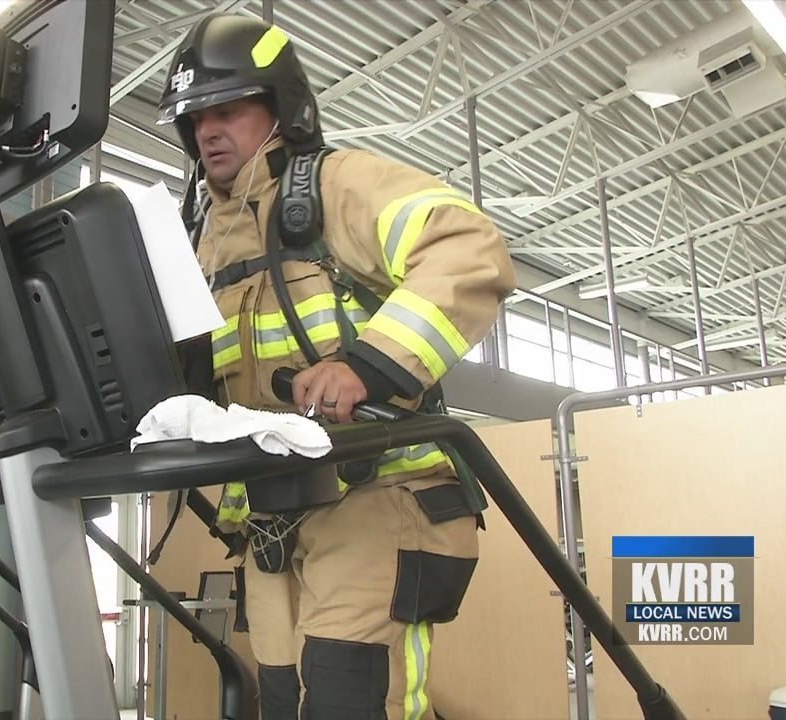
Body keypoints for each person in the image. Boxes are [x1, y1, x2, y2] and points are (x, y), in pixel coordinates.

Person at [157, 14, 518, 720]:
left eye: (228, 109)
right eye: (195, 118)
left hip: (375, 496)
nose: (208, 131)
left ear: (283, 109)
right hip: (270, 514)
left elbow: (469, 247)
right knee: (285, 703)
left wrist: (368, 365)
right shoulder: (198, 242)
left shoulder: (335, 185)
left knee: (348, 699)